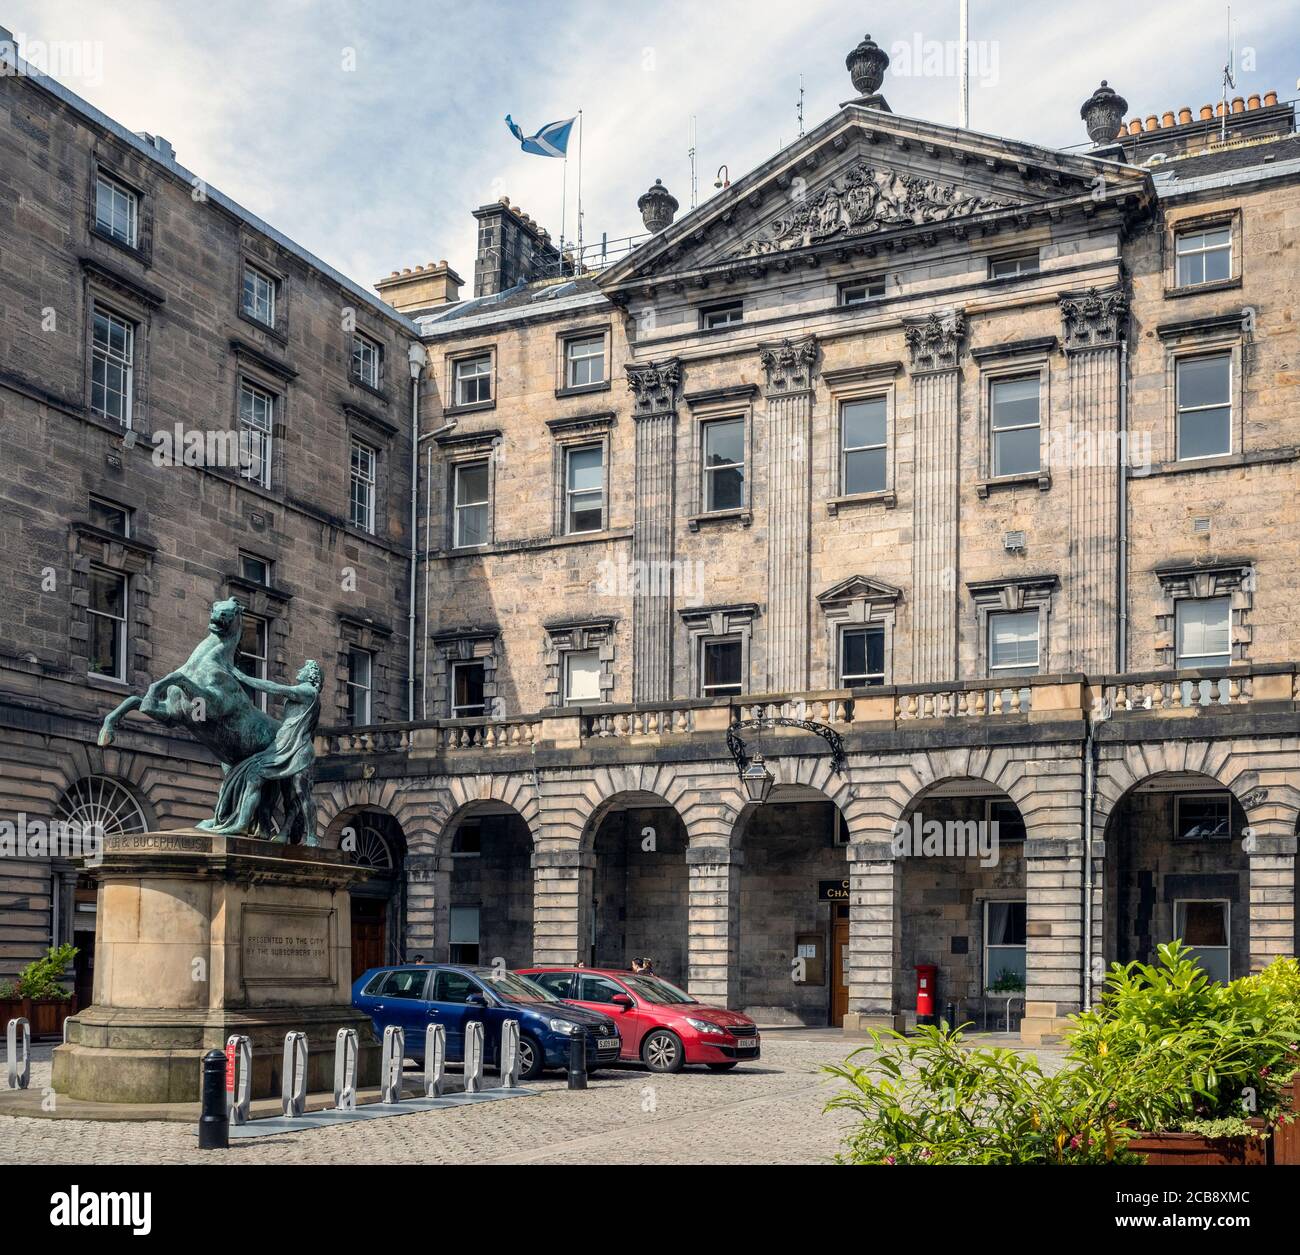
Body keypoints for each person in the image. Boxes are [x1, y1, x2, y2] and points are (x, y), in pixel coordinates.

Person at [198, 660, 323, 843]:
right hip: (282, 745)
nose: (299, 669)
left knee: (301, 792)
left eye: (304, 668)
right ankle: (241, 823)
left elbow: (274, 688)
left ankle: (312, 837)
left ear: (312, 675)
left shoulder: (308, 691)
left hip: (299, 748)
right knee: (253, 775)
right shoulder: (305, 693)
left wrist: (242, 677)